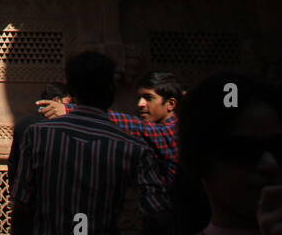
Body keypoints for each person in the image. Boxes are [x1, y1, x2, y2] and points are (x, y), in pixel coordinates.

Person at [11, 51, 170, 235]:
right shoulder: (131, 147)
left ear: (72, 90)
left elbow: (21, 209)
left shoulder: (38, 135)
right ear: (111, 90)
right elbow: (158, 214)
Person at [129, 73, 280, 235]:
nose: (270, 164)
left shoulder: (162, 131)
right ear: (200, 163)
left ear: (171, 104)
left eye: (279, 148)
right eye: (244, 151)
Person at [39, 70, 182, 187]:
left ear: (170, 104)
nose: (141, 104)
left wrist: (72, 110)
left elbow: (136, 125)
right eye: (139, 98)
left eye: (148, 98)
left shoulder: (172, 132)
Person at [8, 82, 68, 184]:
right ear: (57, 101)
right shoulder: (63, 126)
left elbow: (14, 164)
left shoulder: (24, 124)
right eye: (68, 103)